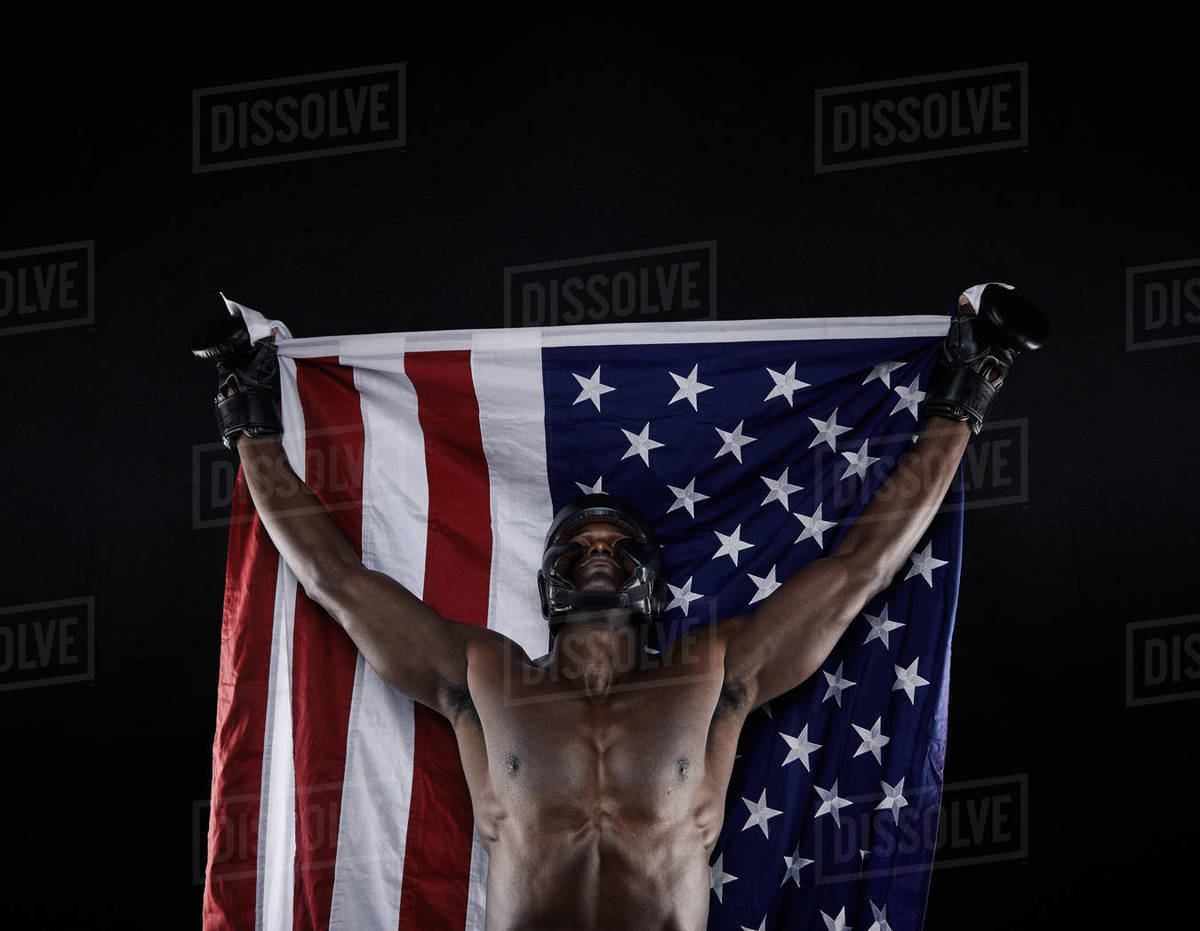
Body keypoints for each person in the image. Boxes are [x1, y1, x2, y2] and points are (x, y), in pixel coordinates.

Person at [193, 285, 1046, 929]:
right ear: (551, 574)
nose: (597, 550)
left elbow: (859, 567)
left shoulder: (716, 670)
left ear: (648, 575)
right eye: (579, 542)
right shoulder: (481, 674)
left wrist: (964, 399)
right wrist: (249, 419)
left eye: (616, 543)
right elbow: (336, 580)